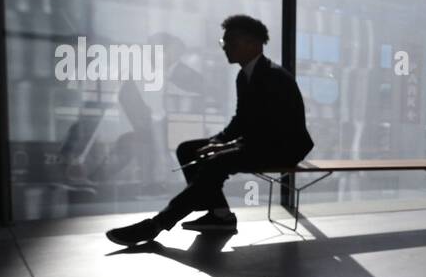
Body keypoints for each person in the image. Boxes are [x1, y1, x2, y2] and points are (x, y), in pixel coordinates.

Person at [106, 15, 313, 246]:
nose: (225, 48)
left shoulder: (274, 76)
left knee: (216, 162)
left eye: (230, 42)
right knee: (188, 150)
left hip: (285, 147)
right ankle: (219, 214)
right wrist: (217, 140)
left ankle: (157, 225)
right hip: (262, 142)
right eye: (223, 43)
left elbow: (272, 129)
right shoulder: (245, 76)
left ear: (253, 44)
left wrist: (227, 146)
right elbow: (242, 120)